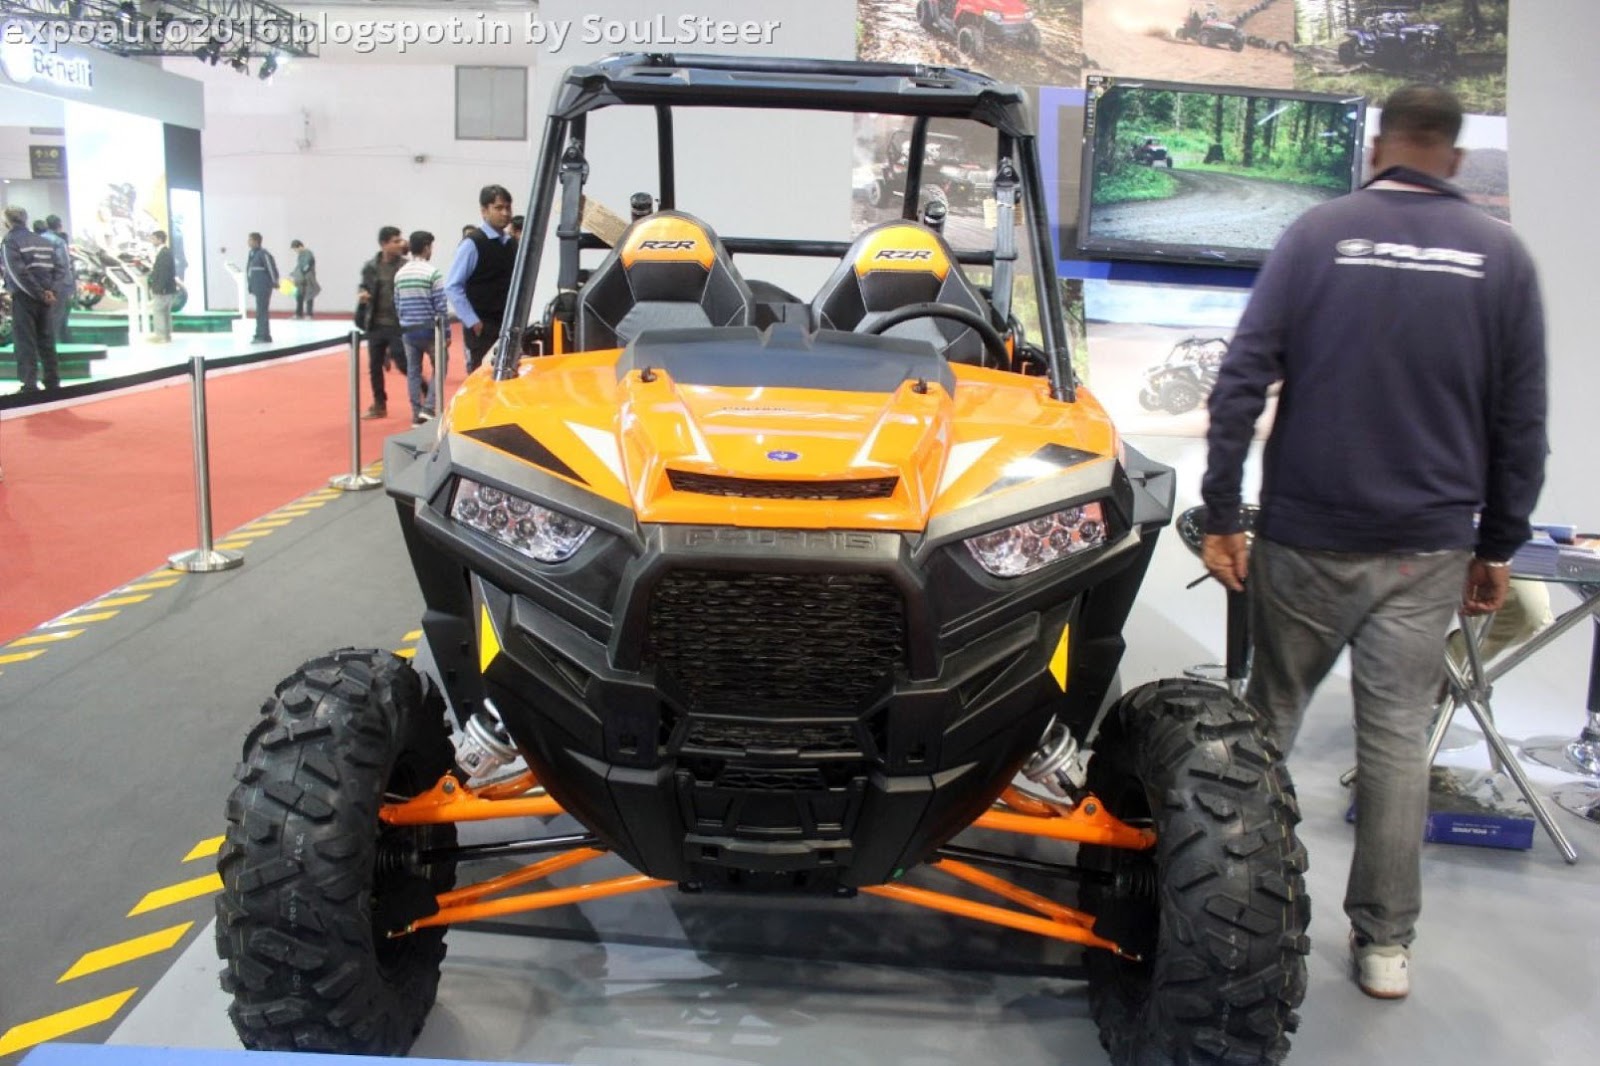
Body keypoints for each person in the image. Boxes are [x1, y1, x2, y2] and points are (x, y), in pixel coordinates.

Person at [1200, 86, 1547, 1002]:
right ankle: (1385, 945)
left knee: (1266, 721)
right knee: (1396, 745)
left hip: (1307, 536)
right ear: (1456, 158)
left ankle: (1241, 917)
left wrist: (1222, 511)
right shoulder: (1500, 256)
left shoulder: (1319, 235)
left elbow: (1241, 378)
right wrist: (1500, 544)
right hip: (1426, 547)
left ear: (1380, 146)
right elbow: (1523, 423)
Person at [445, 184, 515, 375]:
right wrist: (473, 321)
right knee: (483, 379)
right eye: (499, 208)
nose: (505, 213)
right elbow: (452, 286)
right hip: (483, 327)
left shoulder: (510, 244)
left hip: (508, 324)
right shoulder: (472, 244)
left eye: (508, 207)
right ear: (484, 211)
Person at [2, 206, 63, 394]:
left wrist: (37, 293)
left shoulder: (10, 241)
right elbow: (59, 269)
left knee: (25, 341)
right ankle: (52, 380)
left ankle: (29, 385)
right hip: (45, 298)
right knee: (46, 339)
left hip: (24, 298)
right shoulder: (43, 241)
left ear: (7, 222)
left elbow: (17, 273)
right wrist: (49, 292)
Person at [395, 230, 451, 426]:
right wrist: (447, 333)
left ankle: (416, 411)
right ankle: (428, 407)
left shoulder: (400, 274)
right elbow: (441, 307)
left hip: (408, 331)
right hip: (430, 331)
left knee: (413, 371)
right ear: (427, 247)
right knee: (441, 366)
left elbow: (397, 303)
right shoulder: (432, 273)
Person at [356, 225, 409, 419]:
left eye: (400, 240)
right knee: (374, 366)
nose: (400, 244)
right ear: (384, 244)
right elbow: (363, 286)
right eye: (395, 241)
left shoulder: (405, 266)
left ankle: (426, 394)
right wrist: (362, 294)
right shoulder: (370, 267)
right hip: (375, 324)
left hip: (397, 324)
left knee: (403, 363)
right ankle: (379, 404)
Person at [42, 214, 74, 345]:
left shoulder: (38, 239)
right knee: (59, 313)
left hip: (42, 282)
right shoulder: (58, 241)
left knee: (46, 314)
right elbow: (63, 264)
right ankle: (56, 342)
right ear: (59, 225)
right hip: (59, 283)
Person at [245, 232, 279, 343]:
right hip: (257, 287)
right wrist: (250, 285)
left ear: (256, 241)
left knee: (261, 311)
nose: (248, 242)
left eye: (250, 240)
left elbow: (271, 268)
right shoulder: (252, 254)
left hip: (263, 287)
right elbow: (250, 272)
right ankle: (263, 334)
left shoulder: (263, 254)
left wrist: (274, 282)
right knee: (260, 311)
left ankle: (262, 335)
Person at [147, 229, 177, 343]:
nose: (151, 241)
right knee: (164, 312)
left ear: (160, 239)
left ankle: (160, 336)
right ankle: (166, 335)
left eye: (153, 238)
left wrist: (160, 288)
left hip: (164, 289)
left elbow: (164, 272)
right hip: (167, 288)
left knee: (159, 311)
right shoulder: (165, 252)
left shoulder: (164, 253)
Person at [289, 239, 320, 318]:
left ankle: (309, 314)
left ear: (299, 246)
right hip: (300, 279)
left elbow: (308, 265)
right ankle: (299, 314)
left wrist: (303, 271)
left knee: (309, 295)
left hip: (308, 278)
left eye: (295, 249)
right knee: (299, 296)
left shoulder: (308, 254)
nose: (295, 251)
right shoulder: (300, 255)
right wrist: (294, 273)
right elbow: (299, 265)